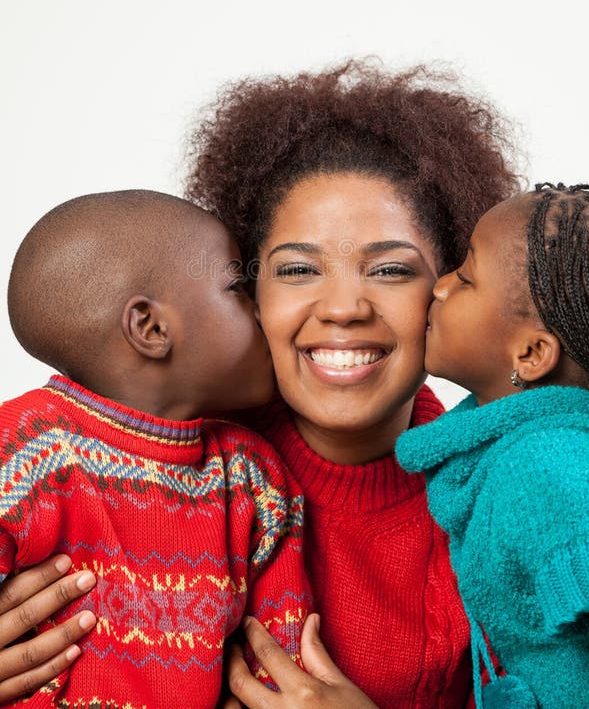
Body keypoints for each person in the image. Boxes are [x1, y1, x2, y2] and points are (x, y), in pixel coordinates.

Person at [0, 62, 520, 707]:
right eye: (298, 269)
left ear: (447, 288)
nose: (343, 307)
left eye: (389, 270)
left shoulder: (504, 499)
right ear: (251, 295)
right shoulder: (131, 452)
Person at [0, 190, 311, 708]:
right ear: (151, 328)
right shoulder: (25, 448)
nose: (265, 309)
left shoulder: (254, 478)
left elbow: (283, 658)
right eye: (238, 286)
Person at [395, 183, 589, 708]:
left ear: (531, 353)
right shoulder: (515, 445)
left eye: (466, 278)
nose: (438, 288)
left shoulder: (549, 464)